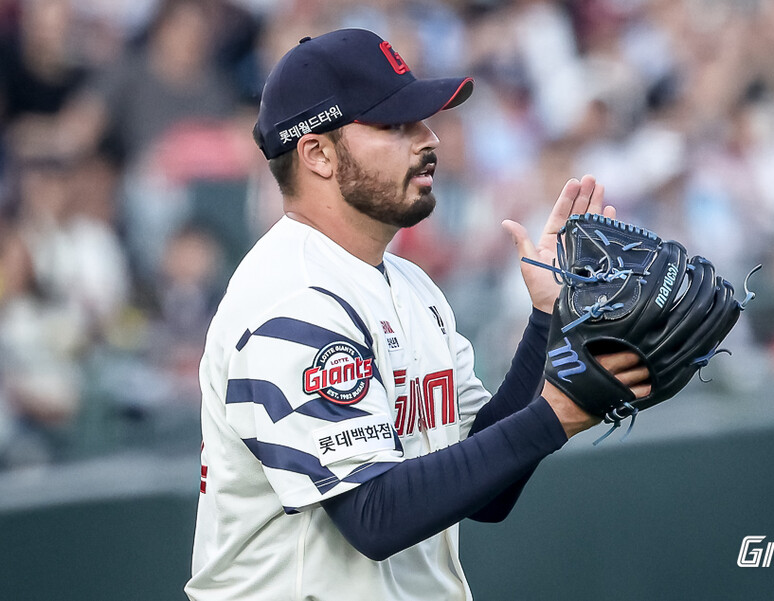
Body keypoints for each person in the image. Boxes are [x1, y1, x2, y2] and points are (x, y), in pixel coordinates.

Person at [185, 28, 650, 601]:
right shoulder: (292, 300)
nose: (429, 138)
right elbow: (374, 518)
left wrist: (546, 320)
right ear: (318, 154)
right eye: (395, 124)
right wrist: (555, 416)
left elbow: (485, 488)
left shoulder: (409, 285)